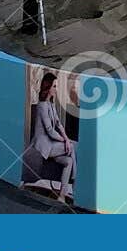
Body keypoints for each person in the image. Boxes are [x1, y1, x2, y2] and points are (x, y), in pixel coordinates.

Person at [33, 72, 75, 203]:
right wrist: (65, 142)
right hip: (44, 145)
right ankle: (75, 183)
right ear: (48, 87)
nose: (56, 89)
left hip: (53, 145)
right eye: (55, 86)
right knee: (72, 147)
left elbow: (58, 123)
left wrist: (66, 138)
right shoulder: (42, 106)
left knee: (68, 161)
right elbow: (50, 131)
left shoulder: (51, 104)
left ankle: (62, 196)